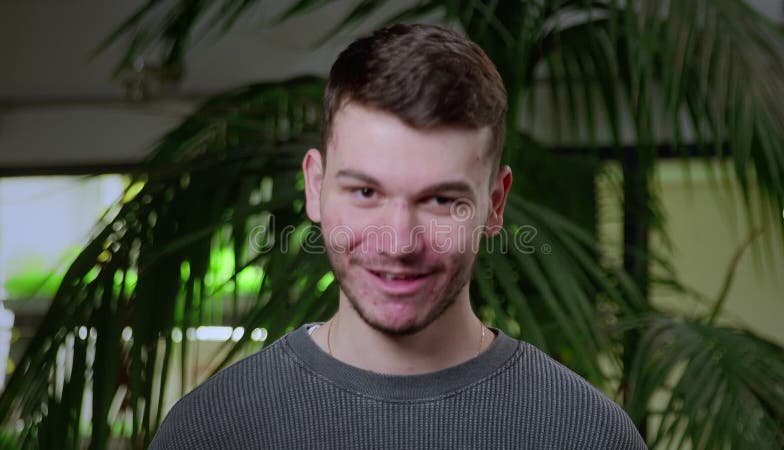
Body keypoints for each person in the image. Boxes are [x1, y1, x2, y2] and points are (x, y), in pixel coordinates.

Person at [150, 23, 648, 450]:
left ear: (495, 204)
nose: (398, 243)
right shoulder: (211, 432)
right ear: (316, 187)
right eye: (366, 191)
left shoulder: (585, 434)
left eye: (438, 200)